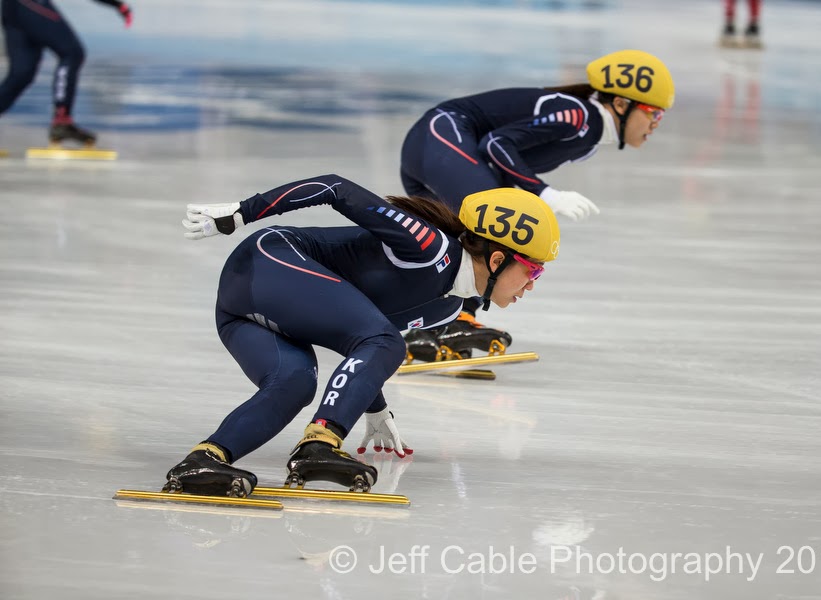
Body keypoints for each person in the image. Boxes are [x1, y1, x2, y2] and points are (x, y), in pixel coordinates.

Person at [169, 173, 561, 497]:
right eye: (534, 271)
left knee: (293, 383)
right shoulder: (428, 246)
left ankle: (205, 459)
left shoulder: (448, 307)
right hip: (267, 261)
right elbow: (334, 188)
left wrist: (373, 407)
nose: (532, 284)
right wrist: (241, 212)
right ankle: (319, 445)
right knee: (388, 341)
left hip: (244, 308)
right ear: (497, 259)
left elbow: (363, 337)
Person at [398, 49, 674, 360]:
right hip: (442, 135)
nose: (656, 123)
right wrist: (545, 193)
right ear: (622, 104)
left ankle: (426, 320)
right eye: (655, 113)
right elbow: (497, 144)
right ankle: (449, 321)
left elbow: (496, 154)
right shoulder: (582, 117)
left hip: (435, 144)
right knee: (499, 232)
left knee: (453, 244)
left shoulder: (587, 131)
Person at [0, 0, 133, 146]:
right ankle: (62, 121)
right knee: (71, 53)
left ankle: (62, 121)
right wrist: (117, 5)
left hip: (11, 7)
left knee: (21, 74)